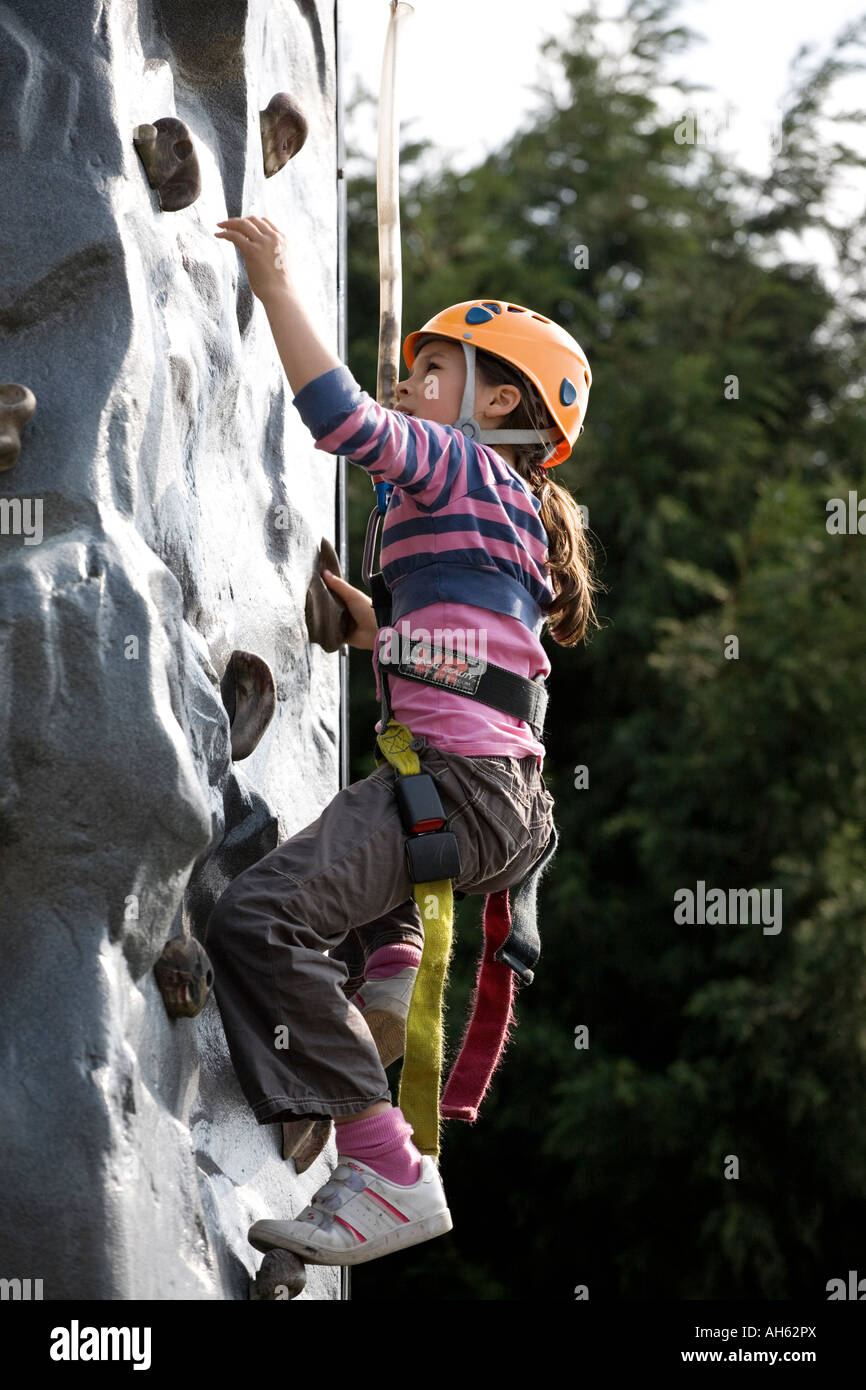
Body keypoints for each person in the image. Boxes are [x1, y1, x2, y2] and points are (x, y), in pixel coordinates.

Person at [205, 214, 600, 1267]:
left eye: (428, 372)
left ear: (497, 400)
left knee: (258, 918)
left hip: (457, 791)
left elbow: (338, 416)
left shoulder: (461, 468)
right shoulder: (507, 513)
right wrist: (378, 627)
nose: (406, 385)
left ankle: (379, 1164)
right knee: (320, 910)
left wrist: (275, 283)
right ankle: (383, 974)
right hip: (486, 800)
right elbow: (471, 651)